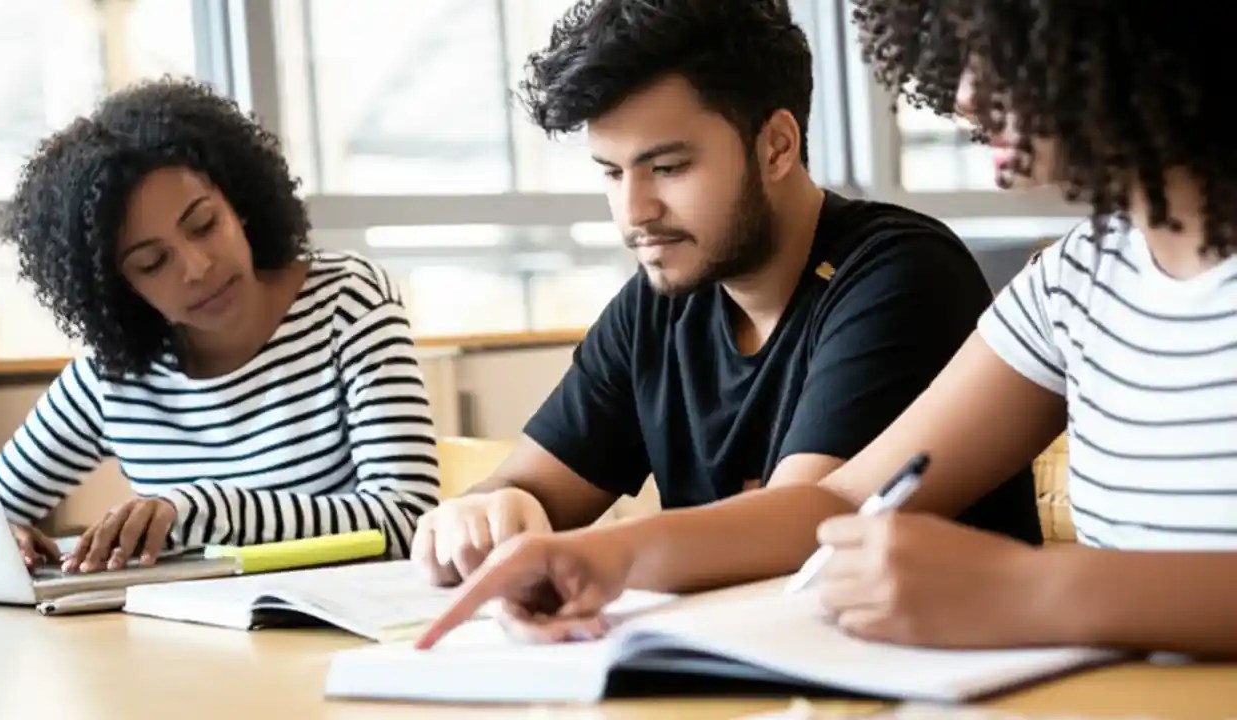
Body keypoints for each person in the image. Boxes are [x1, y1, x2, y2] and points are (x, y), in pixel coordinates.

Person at [417, 0, 1237, 657]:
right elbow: (840, 500)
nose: (962, 94)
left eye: (1004, 42)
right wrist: (605, 557)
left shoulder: (901, 266)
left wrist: (1029, 590)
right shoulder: (1074, 282)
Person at [412, 0, 1041, 588]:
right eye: (611, 172)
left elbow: (808, 527)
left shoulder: (900, 273)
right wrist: (484, 514)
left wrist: (605, 551)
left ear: (776, 147)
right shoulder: (657, 304)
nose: (634, 212)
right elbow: (529, 488)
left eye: (668, 168)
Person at [0, 77, 439, 574]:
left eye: (204, 224)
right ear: (121, 287)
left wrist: (201, 509)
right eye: (152, 263)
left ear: (238, 202)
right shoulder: (111, 378)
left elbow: (410, 520)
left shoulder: (349, 303)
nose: (198, 267)